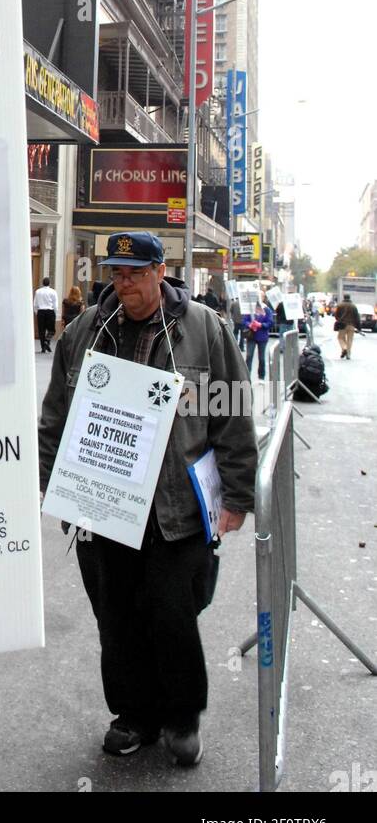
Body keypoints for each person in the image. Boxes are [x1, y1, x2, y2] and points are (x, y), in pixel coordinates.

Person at [38, 231, 256, 769]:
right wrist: (54, 487)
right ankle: (134, 715)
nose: (125, 282)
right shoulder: (86, 331)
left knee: (174, 616)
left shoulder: (204, 329)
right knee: (116, 617)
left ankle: (182, 719)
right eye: (116, 272)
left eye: (135, 272)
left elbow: (231, 413)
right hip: (103, 507)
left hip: (175, 508)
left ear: (162, 271)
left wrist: (238, 495)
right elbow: (56, 417)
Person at [242, 298, 274, 379]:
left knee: (262, 358)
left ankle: (261, 376)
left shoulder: (267, 309)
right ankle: (247, 375)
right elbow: (244, 320)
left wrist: (260, 325)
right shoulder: (250, 308)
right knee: (249, 356)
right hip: (251, 336)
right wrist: (249, 324)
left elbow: (270, 322)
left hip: (262, 336)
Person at [33, 276, 58, 354]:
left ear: (42, 283)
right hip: (50, 311)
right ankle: (47, 340)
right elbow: (55, 304)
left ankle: (43, 347)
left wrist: (37, 312)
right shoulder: (53, 291)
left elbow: (35, 304)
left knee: (41, 330)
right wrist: (55, 313)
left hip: (41, 312)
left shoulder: (38, 291)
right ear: (49, 283)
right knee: (52, 330)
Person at [334, 293, 361, 359]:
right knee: (350, 340)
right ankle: (348, 354)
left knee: (340, 337)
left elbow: (336, 315)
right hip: (352, 325)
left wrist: (339, 320)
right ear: (349, 298)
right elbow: (357, 317)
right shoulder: (353, 306)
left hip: (343, 325)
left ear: (344, 297)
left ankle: (344, 348)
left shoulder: (340, 305)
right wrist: (358, 327)